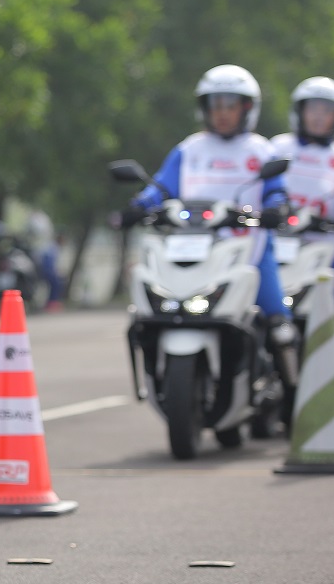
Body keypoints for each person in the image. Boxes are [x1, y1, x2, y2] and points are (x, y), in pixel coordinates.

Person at [127, 64, 300, 396]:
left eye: (230, 105)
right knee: (153, 312)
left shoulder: (262, 150)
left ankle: (293, 400)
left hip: (249, 250)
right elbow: (161, 188)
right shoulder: (189, 149)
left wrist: (278, 207)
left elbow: (276, 191)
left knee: (280, 325)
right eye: (215, 105)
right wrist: (140, 204)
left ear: (247, 109)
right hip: (192, 249)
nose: (222, 113)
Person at [270, 76, 334, 432]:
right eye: (313, 109)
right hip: (278, 250)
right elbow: (265, 187)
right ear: (300, 112)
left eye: (327, 111)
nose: (319, 117)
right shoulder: (278, 147)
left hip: (323, 255)